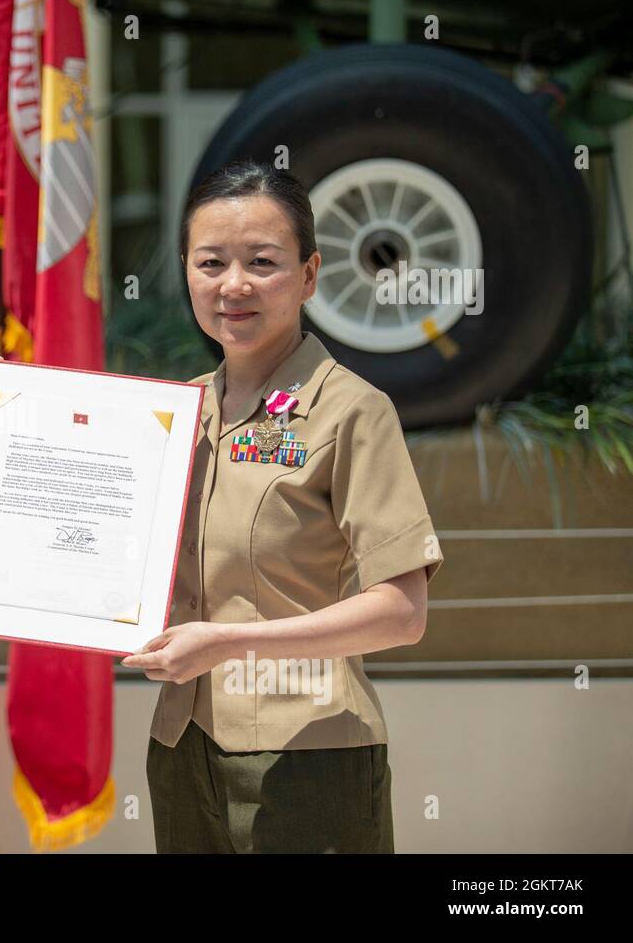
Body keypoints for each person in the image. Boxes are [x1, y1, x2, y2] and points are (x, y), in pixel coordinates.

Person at [122, 160, 443, 853]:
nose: (233, 284)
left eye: (262, 262)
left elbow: (402, 611)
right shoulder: (173, 415)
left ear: (309, 275)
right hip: (183, 746)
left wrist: (233, 643)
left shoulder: (352, 410)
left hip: (308, 756)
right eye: (211, 262)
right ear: (186, 271)